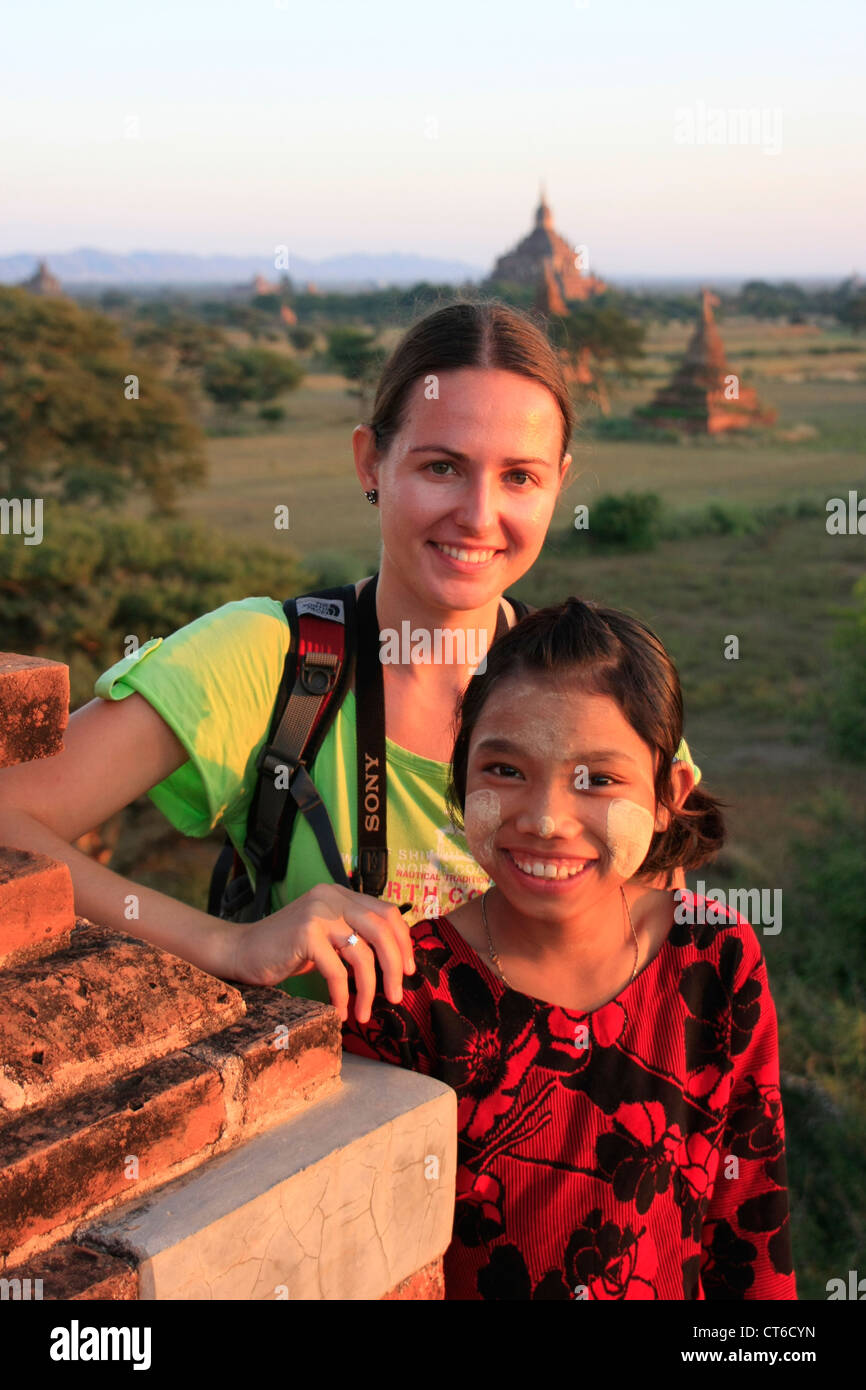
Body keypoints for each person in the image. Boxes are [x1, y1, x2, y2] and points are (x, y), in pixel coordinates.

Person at [0, 300, 700, 1017]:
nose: (479, 514)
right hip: (337, 1121)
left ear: (559, 483)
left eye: (519, 477)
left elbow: (652, 933)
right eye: (442, 467)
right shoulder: (273, 660)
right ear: (371, 461)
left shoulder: (593, 678)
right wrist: (226, 946)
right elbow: (8, 819)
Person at [342, 596, 797, 1301]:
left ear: (667, 796)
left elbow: (750, 1221)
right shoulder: (406, 989)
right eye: (505, 771)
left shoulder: (716, 961)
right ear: (460, 783)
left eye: (599, 780)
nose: (547, 818)